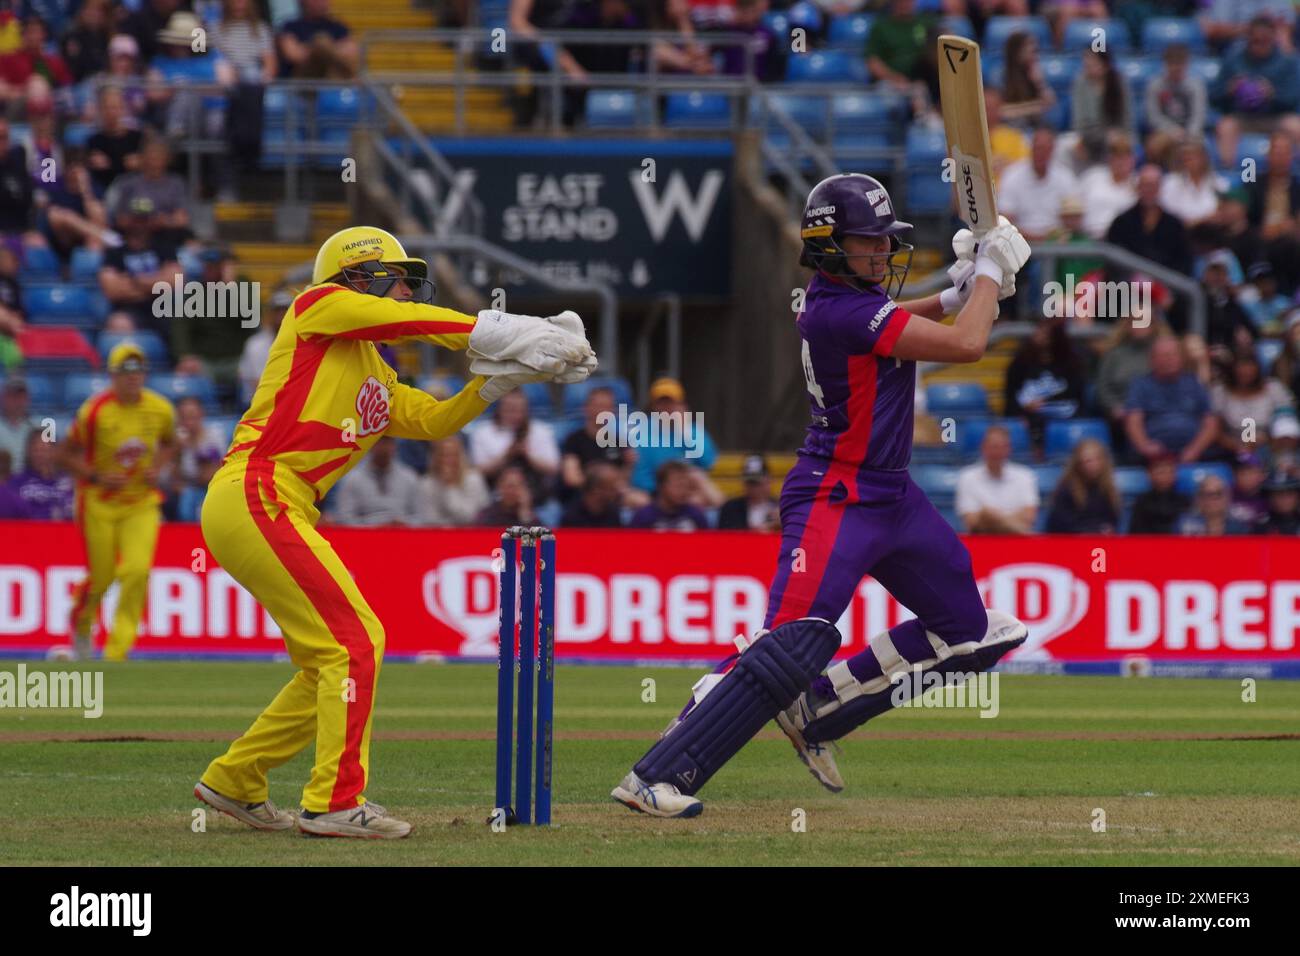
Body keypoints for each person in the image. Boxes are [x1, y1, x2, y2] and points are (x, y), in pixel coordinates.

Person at [610, 173, 1032, 816]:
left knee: (974, 633)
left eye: (884, 240)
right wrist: (989, 276)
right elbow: (970, 345)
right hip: (835, 493)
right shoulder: (840, 308)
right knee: (787, 642)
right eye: (868, 241)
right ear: (829, 243)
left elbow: (903, 323)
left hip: (892, 495)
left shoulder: (845, 303)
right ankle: (658, 773)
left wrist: (957, 290)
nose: (881, 253)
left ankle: (819, 709)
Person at [193, 226, 594, 839]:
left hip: (271, 500)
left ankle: (235, 779)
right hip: (259, 488)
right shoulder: (315, 307)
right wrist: (511, 331)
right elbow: (414, 323)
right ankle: (333, 802)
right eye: (395, 277)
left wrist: (496, 384)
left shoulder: (374, 370)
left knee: (328, 660)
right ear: (358, 276)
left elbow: (433, 422)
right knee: (356, 644)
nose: (405, 289)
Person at [61, 343, 177, 661]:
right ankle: (81, 624)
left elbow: (170, 442)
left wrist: (160, 467)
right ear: (112, 375)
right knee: (101, 576)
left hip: (141, 501)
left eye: (137, 370)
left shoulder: (160, 408)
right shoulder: (94, 411)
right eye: (125, 371)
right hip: (99, 501)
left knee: (138, 570)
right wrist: (96, 476)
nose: (132, 377)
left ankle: (116, 652)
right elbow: (67, 453)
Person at [1125, 336, 1219, 464]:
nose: (1169, 360)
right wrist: (1145, 447)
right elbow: (1133, 422)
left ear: (1181, 358)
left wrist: (1194, 450)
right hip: (1154, 456)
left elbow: (1210, 423)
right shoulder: (1140, 385)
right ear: (1152, 360)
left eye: (1173, 355)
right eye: (1164, 355)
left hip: (1193, 452)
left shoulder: (1194, 383)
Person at [468, 388, 560, 502]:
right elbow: (477, 471)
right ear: (500, 409)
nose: (515, 415)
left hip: (536, 496)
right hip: (494, 498)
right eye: (510, 409)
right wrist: (507, 455)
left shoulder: (540, 431)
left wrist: (528, 455)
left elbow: (554, 468)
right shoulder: (482, 432)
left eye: (519, 410)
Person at [1106, 165, 1194, 277]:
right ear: (1138, 187)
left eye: (1153, 186)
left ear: (1160, 188)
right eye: (1145, 185)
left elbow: (1184, 262)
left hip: (1167, 287)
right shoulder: (1121, 223)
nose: (1149, 190)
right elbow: (1114, 261)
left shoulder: (1174, 225)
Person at [997, 127, 1077, 243]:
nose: (1041, 153)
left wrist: (1055, 236)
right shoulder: (1012, 175)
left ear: (1052, 150)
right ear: (1031, 149)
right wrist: (1039, 239)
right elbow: (1005, 221)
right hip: (1019, 244)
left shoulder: (1065, 177)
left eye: (1045, 149)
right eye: (1038, 148)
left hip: (1059, 244)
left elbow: (1074, 218)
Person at [955, 424, 1040, 533]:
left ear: (1009, 449)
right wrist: (1014, 521)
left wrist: (989, 517)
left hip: (1017, 541)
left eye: (1002, 447)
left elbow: (1029, 517)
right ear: (983, 447)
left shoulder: (1025, 476)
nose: (997, 452)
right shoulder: (967, 477)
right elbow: (971, 521)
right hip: (982, 541)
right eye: (994, 447)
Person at [559, 385, 635, 503]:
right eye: (599, 406)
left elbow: (623, 482)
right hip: (584, 497)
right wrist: (601, 485)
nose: (603, 411)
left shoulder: (620, 441)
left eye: (608, 407)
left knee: (642, 500)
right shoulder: (574, 440)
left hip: (613, 497)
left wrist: (629, 465)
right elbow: (571, 478)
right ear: (586, 408)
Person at [1211, 350, 1293, 455]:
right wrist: (1236, 446)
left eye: (1249, 366)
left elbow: (1287, 424)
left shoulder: (1274, 389)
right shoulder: (1220, 392)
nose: (1245, 371)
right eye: (1241, 366)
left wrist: (1267, 440)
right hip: (1230, 449)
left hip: (1270, 446)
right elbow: (1214, 428)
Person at [332, 435, 423, 526]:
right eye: (379, 442)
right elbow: (345, 519)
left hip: (403, 535)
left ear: (395, 446)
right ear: (369, 445)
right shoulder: (352, 479)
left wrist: (404, 524)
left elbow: (421, 517)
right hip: (365, 537)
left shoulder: (410, 477)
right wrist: (376, 527)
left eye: (388, 442)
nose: (384, 448)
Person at [1045, 438, 1120, 533]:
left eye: (1096, 460)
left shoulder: (1108, 489)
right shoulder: (1066, 490)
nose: (1093, 465)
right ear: (1078, 463)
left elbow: (1112, 521)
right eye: (1088, 461)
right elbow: (1061, 526)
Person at [416, 436, 490, 526]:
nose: (448, 461)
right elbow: (429, 520)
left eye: (453, 455)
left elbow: (471, 517)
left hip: (471, 534)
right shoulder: (427, 483)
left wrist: (450, 487)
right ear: (435, 457)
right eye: (443, 455)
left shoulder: (474, 479)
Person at [276, 0, 358, 78]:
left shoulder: (339, 27)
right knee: (321, 42)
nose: (320, 2)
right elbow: (293, 54)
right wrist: (322, 48)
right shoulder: (290, 27)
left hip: (334, 82)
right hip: (302, 84)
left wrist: (322, 49)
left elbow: (351, 52)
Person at [7, 428, 73, 519]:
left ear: (55, 452)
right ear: (28, 452)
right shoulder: (16, 482)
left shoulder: (69, 483)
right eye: (36, 450)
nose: (40, 455)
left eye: (45, 450)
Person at [628, 459, 710, 530]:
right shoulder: (644, 517)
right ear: (661, 486)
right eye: (678, 486)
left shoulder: (696, 515)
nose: (683, 491)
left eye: (686, 486)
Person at [1000, 30, 1056, 125]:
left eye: (1036, 51)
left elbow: (1051, 104)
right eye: (1032, 51)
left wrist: (1040, 83)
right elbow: (1000, 112)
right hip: (1011, 130)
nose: (1035, 56)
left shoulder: (1036, 74)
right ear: (1016, 52)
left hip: (1036, 129)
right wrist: (1035, 108)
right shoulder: (1001, 75)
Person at [1127, 452, 1189, 534]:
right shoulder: (1141, 502)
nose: (1165, 476)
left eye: (1169, 471)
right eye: (1161, 471)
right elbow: (1135, 535)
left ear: (1175, 474)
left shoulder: (1184, 501)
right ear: (1149, 474)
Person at [717, 453, 779, 530]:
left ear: (768, 480)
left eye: (757, 483)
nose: (754, 488)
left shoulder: (781, 508)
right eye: (750, 482)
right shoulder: (730, 508)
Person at [1177, 474, 1251, 535]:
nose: (1213, 499)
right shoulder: (1183, 526)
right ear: (1198, 499)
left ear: (1227, 497)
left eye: (1218, 494)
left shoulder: (1240, 526)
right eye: (1207, 494)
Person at [560, 460, 625, 528]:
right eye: (612, 488)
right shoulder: (571, 517)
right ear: (596, 489)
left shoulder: (614, 514)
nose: (619, 490)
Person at [0, 374, 37, 471]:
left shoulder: (38, 427)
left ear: (28, 399)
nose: (16, 401)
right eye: (12, 396)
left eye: (20, 396)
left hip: (29, 481)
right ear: (3, 398)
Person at [1259, 469, 1300, 533]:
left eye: (1289, 494)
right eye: (1278, 494)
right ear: (1269, 498)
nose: (1284, 499)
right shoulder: (1261, 527)